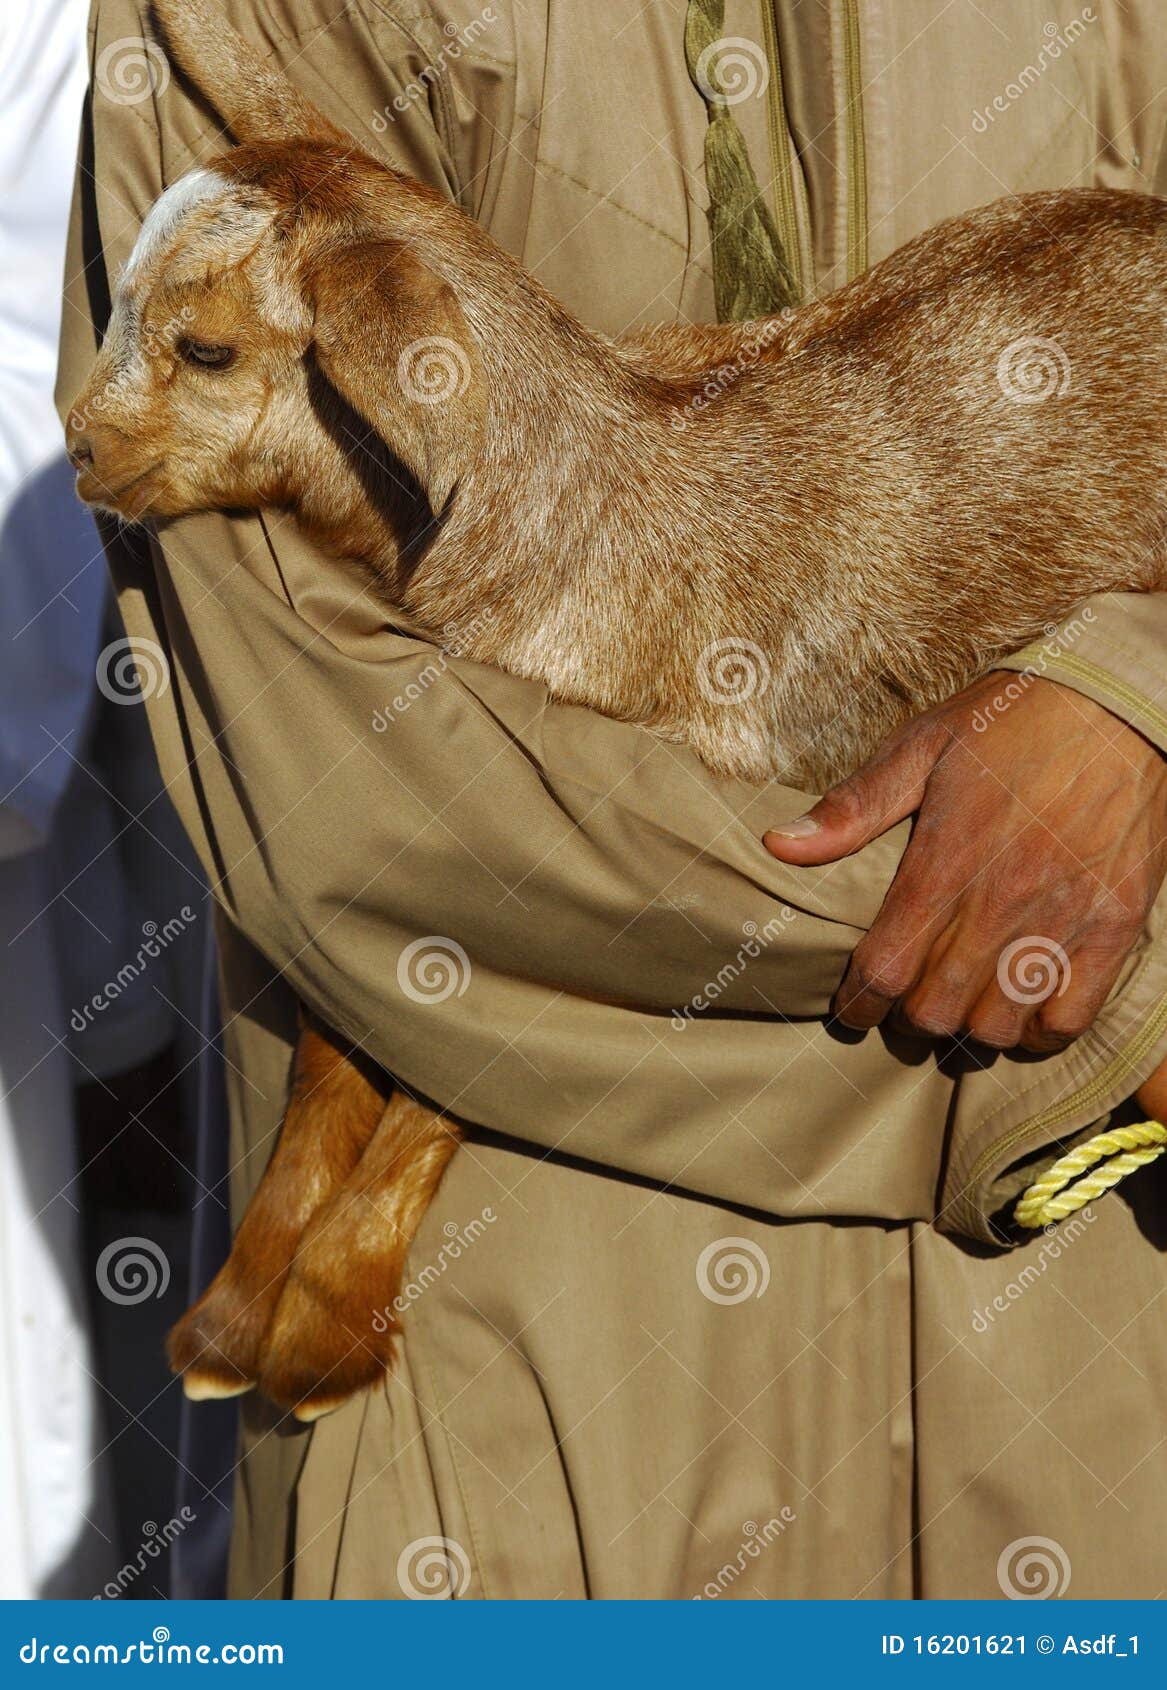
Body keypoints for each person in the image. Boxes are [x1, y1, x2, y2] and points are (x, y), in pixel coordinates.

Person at [58, 0, 1167, 1598]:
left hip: (1077, 1414)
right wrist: (1098, 991)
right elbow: (361, 785)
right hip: (527, 1414)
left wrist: (1138, 688)